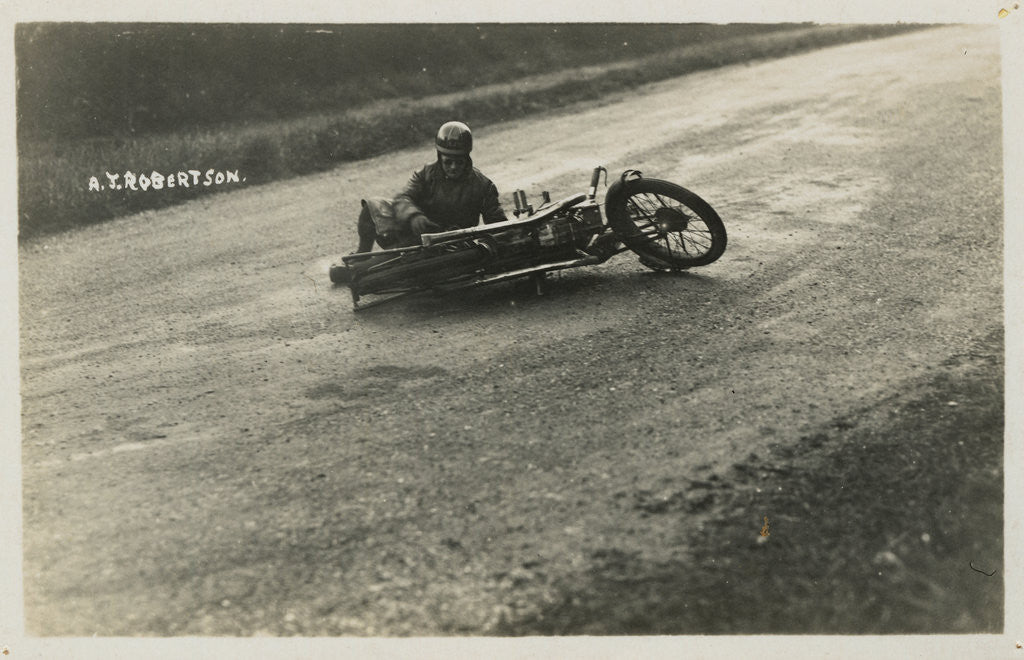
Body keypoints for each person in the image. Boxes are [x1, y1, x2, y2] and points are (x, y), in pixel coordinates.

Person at [352, 120, 509, 254]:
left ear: (467, 159)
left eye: (459, 162)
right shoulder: (426, 174)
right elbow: (403, 197)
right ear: (440, 158)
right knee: (372, 206)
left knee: (389, 263)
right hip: (420, 234)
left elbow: (498, 224)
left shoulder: (483, 185)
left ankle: (367, 266)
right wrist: (414, 217)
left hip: (454, 243)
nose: (453, 167)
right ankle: (362, 254)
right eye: (448, 162)